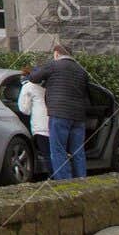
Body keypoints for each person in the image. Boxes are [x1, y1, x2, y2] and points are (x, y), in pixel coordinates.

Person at [28, 44, 91, 180]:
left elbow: (34, 78)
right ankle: (82, 180)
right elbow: (87, 94)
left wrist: (36, 69)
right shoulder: (81, 70)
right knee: (78, 150)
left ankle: (65, 181)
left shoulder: (53, 65)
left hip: (59, 114)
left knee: (58, 149)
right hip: (79, 116)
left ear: (56, 53)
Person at [17, 65, 50, 177]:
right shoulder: (48, 85)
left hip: (40, 125)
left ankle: (55, 178)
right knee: (55, 152)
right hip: (54, 121)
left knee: (47, 153)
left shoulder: (28, 87)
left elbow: (24, 109)